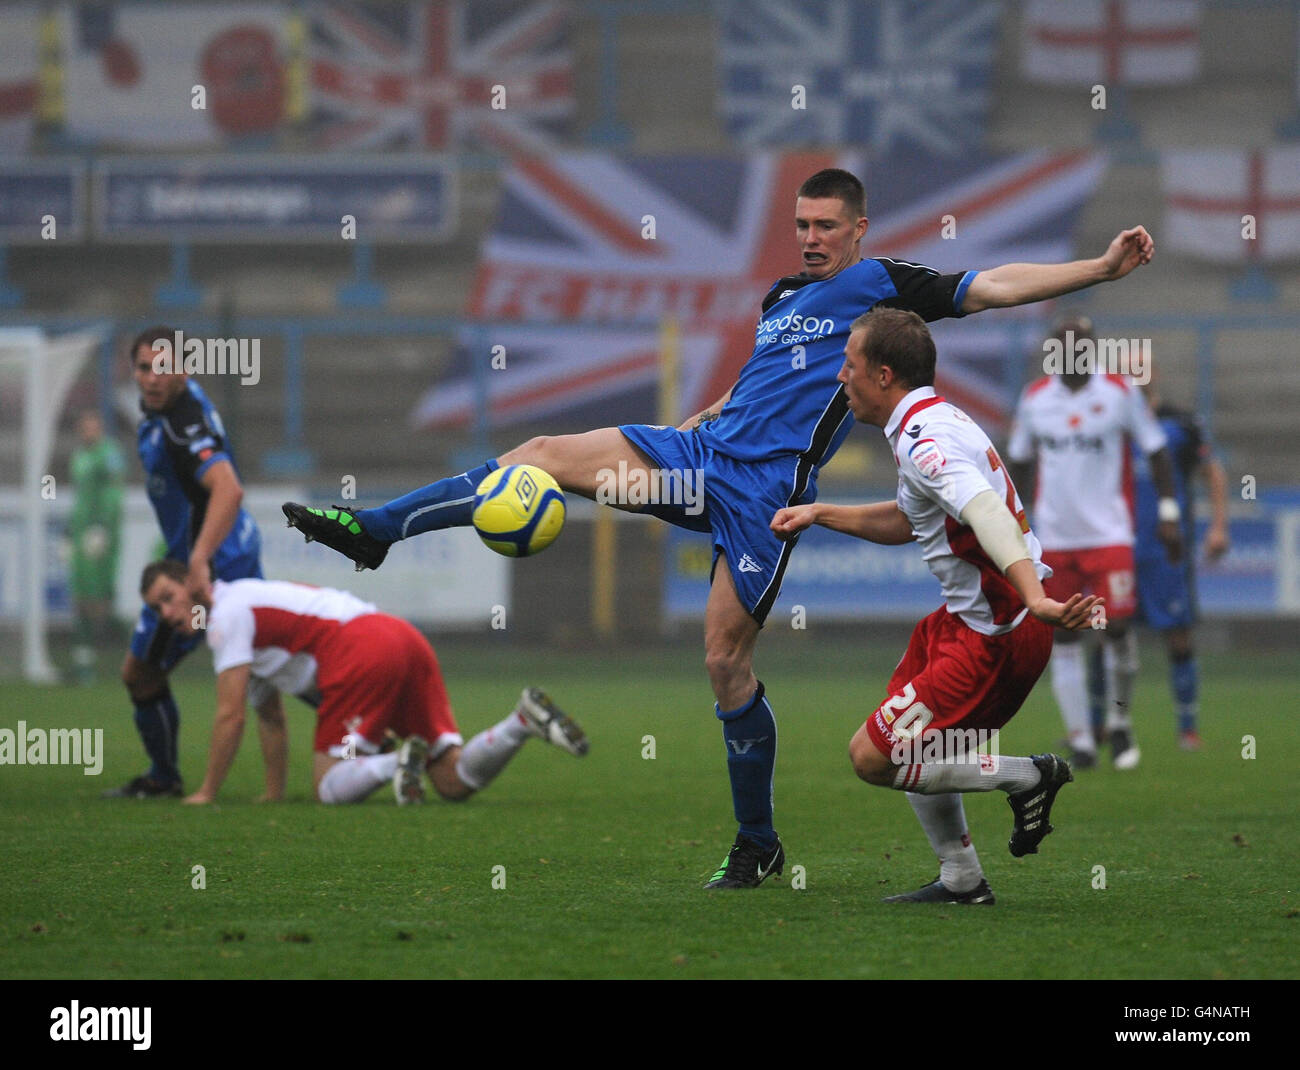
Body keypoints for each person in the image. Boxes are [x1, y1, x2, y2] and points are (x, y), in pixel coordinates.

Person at [283, 168, 1155, 888]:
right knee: (541, 451)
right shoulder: (780, 295)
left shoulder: (884, 286)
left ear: (858, 229)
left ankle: (759, 844)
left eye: (825, 225)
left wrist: (1100, 271)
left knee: (723, 660)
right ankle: (378, 530)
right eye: (801, 223)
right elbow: (755, 388)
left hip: (762, 498)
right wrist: (702, 419)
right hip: (698, 457)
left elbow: (995, 286)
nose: (810, 237)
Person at [771, 308, 1100, 904]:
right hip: (961, 623)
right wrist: (820, 514)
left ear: (884, 375)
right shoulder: (929, 419)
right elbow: (908, 519)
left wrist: (1034, 595)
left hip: (997, 637)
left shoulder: (928, 441)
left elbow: (986, 512)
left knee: (873, 757)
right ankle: (962, 879)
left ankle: (1028, 775)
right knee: (915, 747)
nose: (840, 377)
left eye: (850, 366)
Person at [137, 559, 589, 805]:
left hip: (359, 649)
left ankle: (397, 764)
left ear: (193, 583)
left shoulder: (226, 616)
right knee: (451, 781)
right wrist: (273, 794)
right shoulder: (246, 615)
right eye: (157, 610)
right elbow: (269, 717)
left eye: (168, 598)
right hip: (401, 637)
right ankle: (520, 723)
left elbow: (229, 714)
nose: (168, 615)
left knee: (326, 788)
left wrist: (205, 793)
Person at [1005, 315, 1181, 771]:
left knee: (1116, 629)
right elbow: (1019, 462)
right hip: (1056, 539)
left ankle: (1120, 724)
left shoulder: (1119, 393)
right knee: (1063, 636)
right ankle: (1082, 740)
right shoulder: (1035, 399)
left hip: (1108, 535)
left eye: (1078, 346)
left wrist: (1168, 511)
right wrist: (1014, 527)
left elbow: (1156, 448)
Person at [103, 326, 263, 799]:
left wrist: (198, 562)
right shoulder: (168, 407)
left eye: (163, 367)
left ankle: (165, 778)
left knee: (141, 671)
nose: (151, 378)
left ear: (185, 370)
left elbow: (229, 488)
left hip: (212, 569)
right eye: (143, 367)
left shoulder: (180, 423)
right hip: (219, 557)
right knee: (273, 667)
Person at [1131, 375, 1229, 750]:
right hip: (1115, 543)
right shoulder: (1108, 420)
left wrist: (1218, 526)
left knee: (1178, 632)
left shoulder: (1182, 423)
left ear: (1153, 374)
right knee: (1105, 632)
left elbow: (1213, 471)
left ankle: (1188, 729)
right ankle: (1098, 728)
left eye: (1138, 368)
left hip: (1166, 548)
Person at [67, 410, 126, 684]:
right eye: (84, 426)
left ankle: (121, 654)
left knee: (98, 597)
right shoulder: (79, 456)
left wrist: (102, 527)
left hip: (99, 534)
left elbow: (114, 491)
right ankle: (83, 663)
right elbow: (79, 496)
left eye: (93, 426)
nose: (87, 431)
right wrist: (69, 531)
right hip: (80, 534)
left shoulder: (109, 454)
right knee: (80, 596)